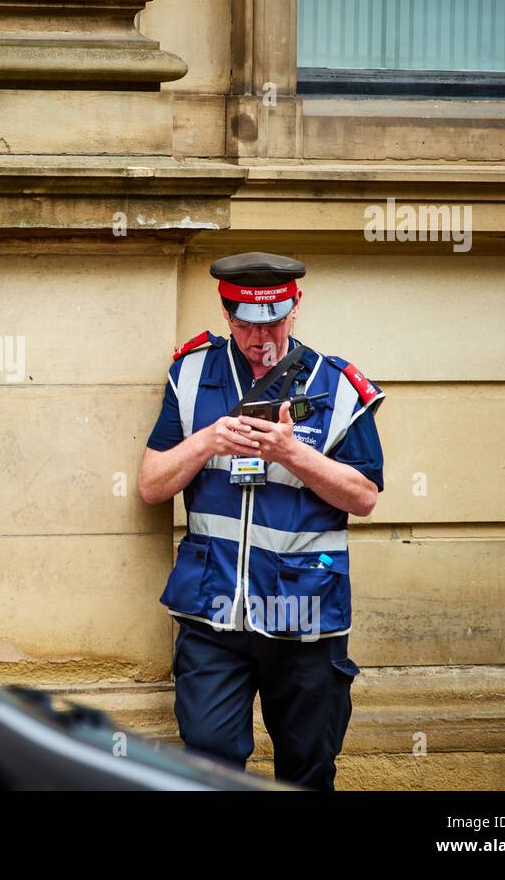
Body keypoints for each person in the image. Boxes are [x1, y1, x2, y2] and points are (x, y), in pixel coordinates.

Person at [137, 252, 385, 790]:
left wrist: (293, 454)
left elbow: (364, 497)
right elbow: (152, 485)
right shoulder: (193, 371)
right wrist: (207, 441)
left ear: (296, 308)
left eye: (273, 321)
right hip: (213, 612)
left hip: (306, 613)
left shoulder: (339, 386)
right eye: (248, 324)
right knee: (209, 759)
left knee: (307, 767)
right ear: (228, 315)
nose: (261, 338)